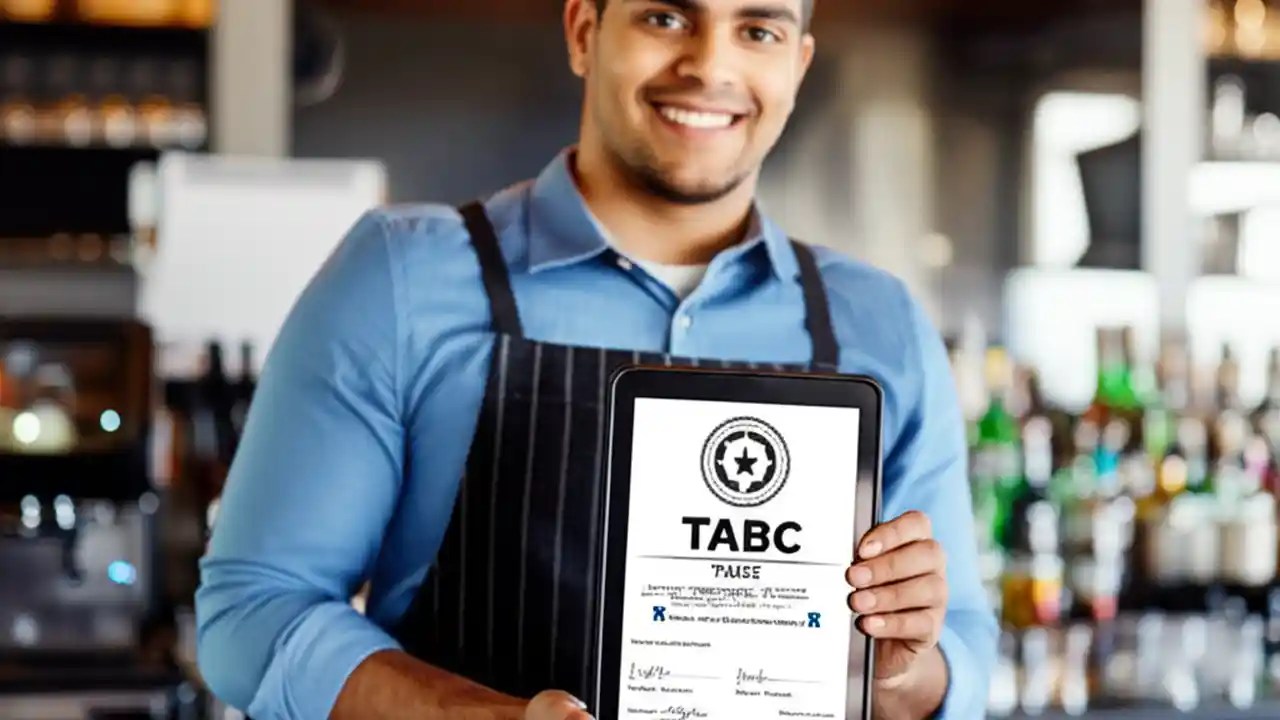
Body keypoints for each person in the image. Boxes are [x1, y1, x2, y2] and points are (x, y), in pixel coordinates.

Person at [194, 0, 998, 718]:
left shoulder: (881, 325)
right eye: (666, 18)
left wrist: (898, 670)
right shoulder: (399, 276)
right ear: (584, 31)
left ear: (797, 64)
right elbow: (254, 612)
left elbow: (961, 648)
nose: (710, 65)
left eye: (758, 30)